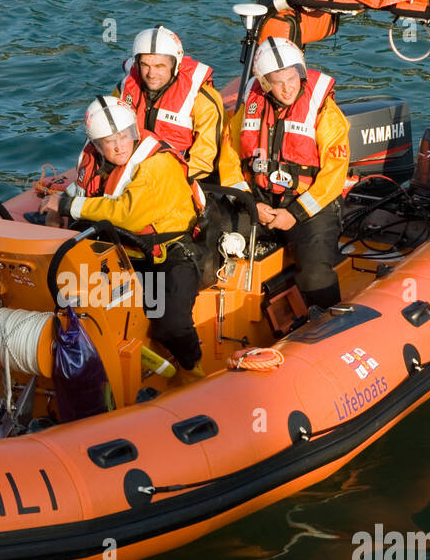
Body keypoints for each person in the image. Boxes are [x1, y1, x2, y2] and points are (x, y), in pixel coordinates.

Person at [40, 96, 204, 371]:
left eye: (123, 136)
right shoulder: (94, 159)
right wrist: (58, 206)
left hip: (168, 253)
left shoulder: (157, 164)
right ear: (97, 144)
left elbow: (129, 214)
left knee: (171, 324)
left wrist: (69, 206)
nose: (118, 146)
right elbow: (85, 190)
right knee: (84, 308)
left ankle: (193, 370)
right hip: (123, 251)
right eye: (109, 141)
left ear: (134, 132)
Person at [217, 37, 349, 309]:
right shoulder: (250, 104)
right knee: (213, 238)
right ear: (265, 83)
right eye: (278, 81)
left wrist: (295, 214)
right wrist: (250, 203)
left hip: (311, 205)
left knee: (315, 275)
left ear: (300, 72)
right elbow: (230, 155)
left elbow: (334, 174)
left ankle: (331, 321)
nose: (287, 88)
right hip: (260, 200)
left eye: (292, 78)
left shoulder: (323, 109)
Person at [114, 25, 226, 186]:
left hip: (178, 181)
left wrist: (156, 181)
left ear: (175, 65)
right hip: (131, 173)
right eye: (145, 65)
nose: (151, 74)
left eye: (160, 66)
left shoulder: (203, 99)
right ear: (137, 64)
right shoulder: (124, 89)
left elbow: (203, 163)